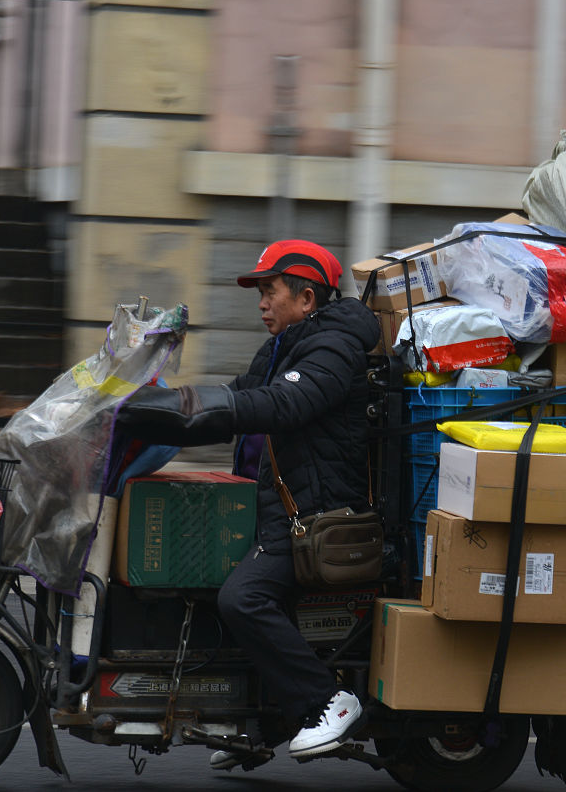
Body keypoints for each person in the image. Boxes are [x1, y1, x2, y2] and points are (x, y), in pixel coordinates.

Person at [115, 239, 381, 769]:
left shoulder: (333, 347)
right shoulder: (285, 345)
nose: (261, 303)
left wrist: (183, 407)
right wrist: (155, 408)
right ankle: (261, 724)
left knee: (243, 598)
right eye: (259, 292)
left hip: (318, 519)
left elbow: (281, 403)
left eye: (269, 290)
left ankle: (328, 701)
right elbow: (235, 395)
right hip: (279, 509)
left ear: (307, 298)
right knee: (208, 586)